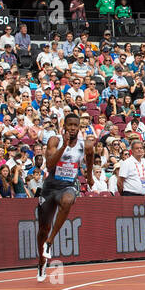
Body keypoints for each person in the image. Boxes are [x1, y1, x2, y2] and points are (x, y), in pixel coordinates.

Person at [36, 114, 94, 281]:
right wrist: (65, 145)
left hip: (68, 186)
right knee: (42, 230)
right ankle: (41, 261)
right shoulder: (55, 140)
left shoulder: (85, 145)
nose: (73, 128)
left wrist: (89, 176)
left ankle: (50, 241)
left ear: (79, 127)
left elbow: (90, 157)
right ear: (64, 126)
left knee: (68, 201)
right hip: (50, 187)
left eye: (76, 125)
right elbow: (50, 164)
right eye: (70, 125)